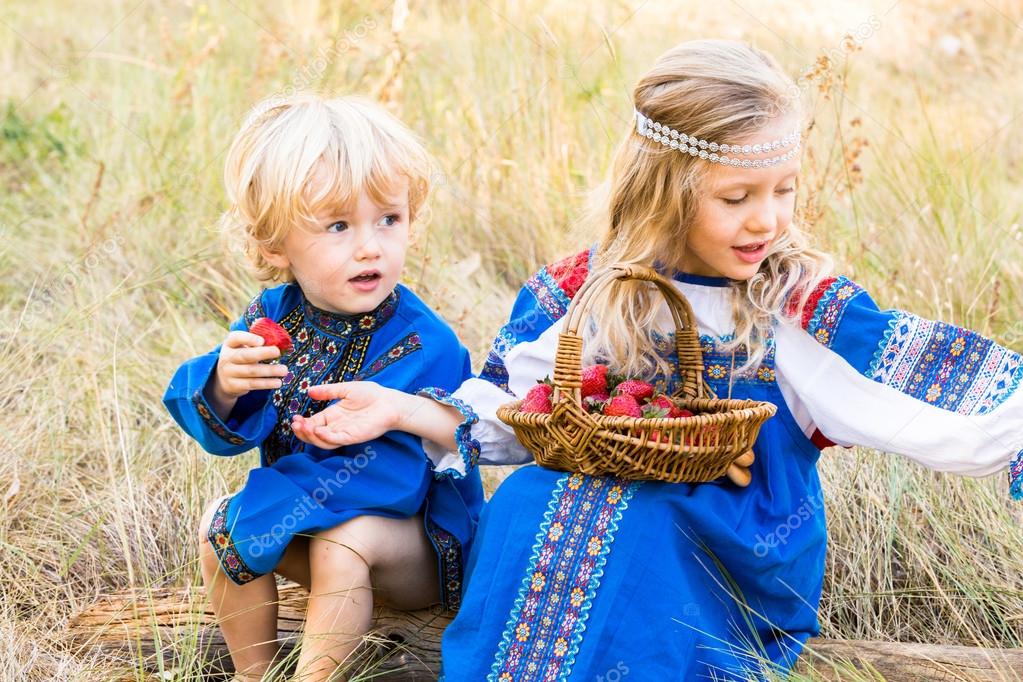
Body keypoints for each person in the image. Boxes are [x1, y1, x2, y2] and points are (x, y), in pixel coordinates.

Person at [291, 40, 1023, 680]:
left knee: (636, 525)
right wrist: (398, 408)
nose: (766, 219)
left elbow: (916, 393)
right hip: (601, 496)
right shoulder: (592, 290)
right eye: (736, 197)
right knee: (528, 499)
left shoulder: (790, 304)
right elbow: (515, 414)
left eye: (784, 192)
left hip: (731, 541)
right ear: (664, 192)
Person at [163, 94, 483, 681]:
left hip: (415, 546)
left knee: (347, 542)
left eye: (389, 218)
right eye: (338, 225)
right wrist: (227, 385)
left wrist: (278, 504)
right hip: (306, 519)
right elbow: (228, 433)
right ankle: (251, 672)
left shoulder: (423, 343)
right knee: (219, 522)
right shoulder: (272, 315)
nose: (370, 246)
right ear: (274, 245)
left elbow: (397, 480)